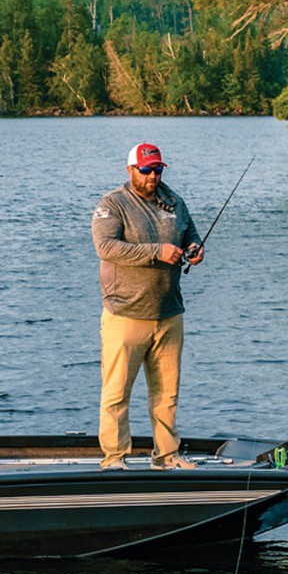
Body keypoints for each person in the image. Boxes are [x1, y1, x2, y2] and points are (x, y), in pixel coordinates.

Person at [92, 143, 203, 469]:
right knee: (116, 394)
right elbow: (106, 247)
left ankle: (167, 456)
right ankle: (114, 458)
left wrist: (194, 248)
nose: (153, 176)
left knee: (167, 394)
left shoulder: (174, 201)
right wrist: (156, 252)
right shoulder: (113, 205)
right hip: (125, 313)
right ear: (130, 171)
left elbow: (190, 234)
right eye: (146, 170)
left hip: (169, 313)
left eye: (157, 170)